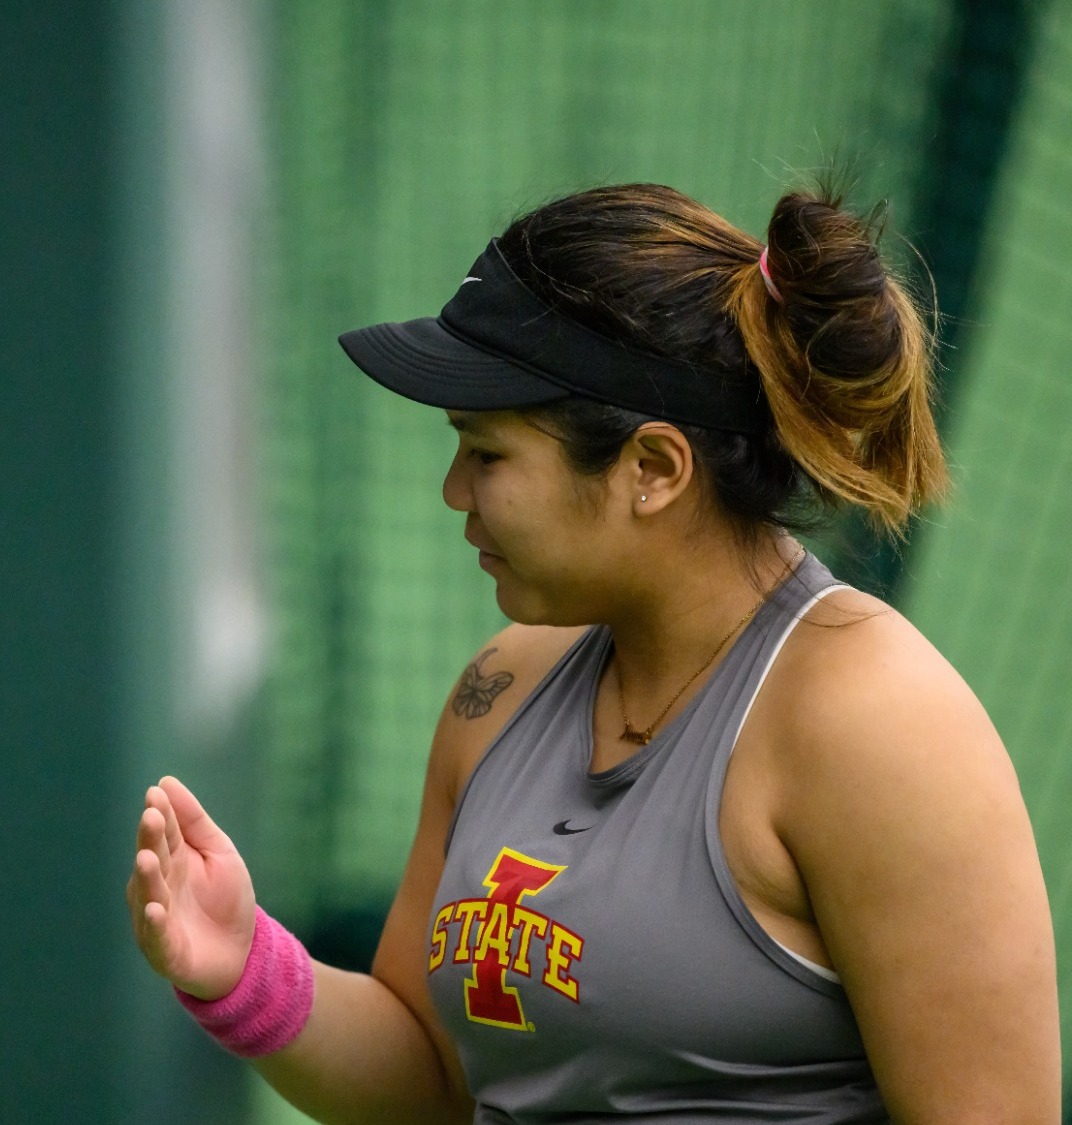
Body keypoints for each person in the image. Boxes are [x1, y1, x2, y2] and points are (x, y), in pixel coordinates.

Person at [127, 184, 1058, 1121]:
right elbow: (435, 1088)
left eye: (485, 453)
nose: (455, 491)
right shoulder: (501, 689)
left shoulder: (876, 720)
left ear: (651, 471)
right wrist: (248, 969)